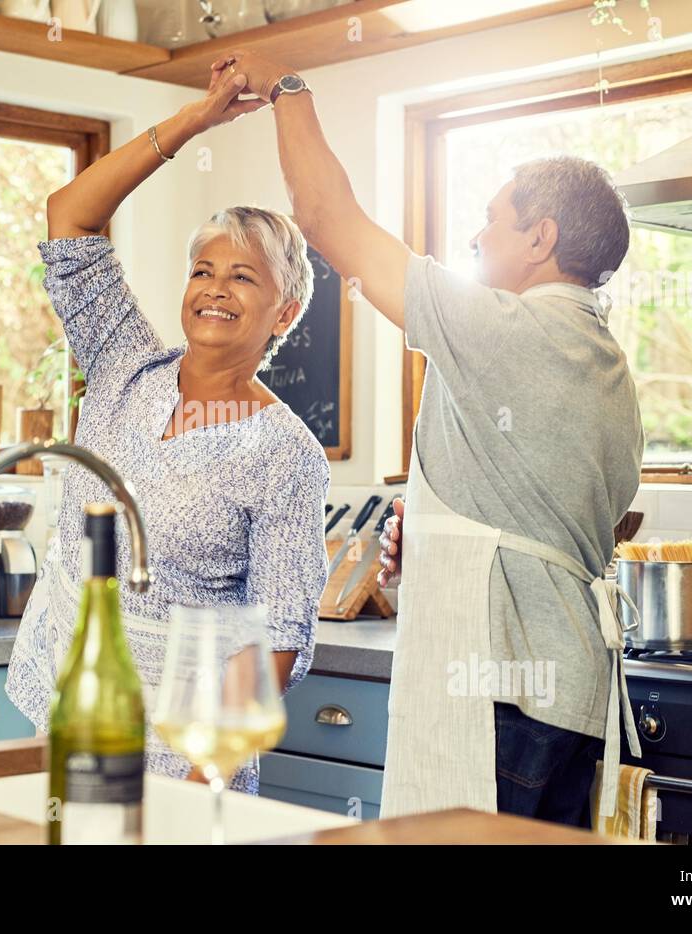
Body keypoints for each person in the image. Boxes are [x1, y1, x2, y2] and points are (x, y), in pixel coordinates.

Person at [220, 51, 643, 824]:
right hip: (564, 691)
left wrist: (287, 83)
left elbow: (325, 218)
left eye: (492, 219)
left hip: (504, 695)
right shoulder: (605, 359)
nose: (477, 238)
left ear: (541, 237)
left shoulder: (506, 328)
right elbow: (574, 517)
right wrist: (445, 542)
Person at [5, 71, 330, 793]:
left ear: (285, 311)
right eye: (203, 269)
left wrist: (202, 772)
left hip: (184, 747)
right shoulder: (125, 366)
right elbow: (69, 218)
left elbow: (276, 642)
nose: (215, 288)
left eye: (243, 277)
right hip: (69, 716)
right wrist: (194, 120)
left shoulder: (286, 455)